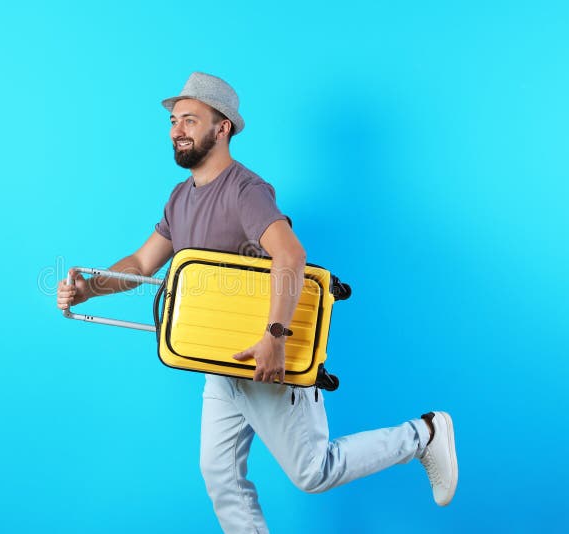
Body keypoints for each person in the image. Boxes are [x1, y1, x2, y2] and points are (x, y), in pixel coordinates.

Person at [57, 72, 458, 533]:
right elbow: (141, 263)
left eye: (190, 120)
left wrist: (275, 337)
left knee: (313, 472)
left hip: (263, 355)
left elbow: (291, 256)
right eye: (173, 121)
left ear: (222, 127)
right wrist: (91, 289)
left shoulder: (245, 190)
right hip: (218, 361)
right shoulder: (179, 198)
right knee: (221, 476)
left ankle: (425, 434)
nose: (177, 130)